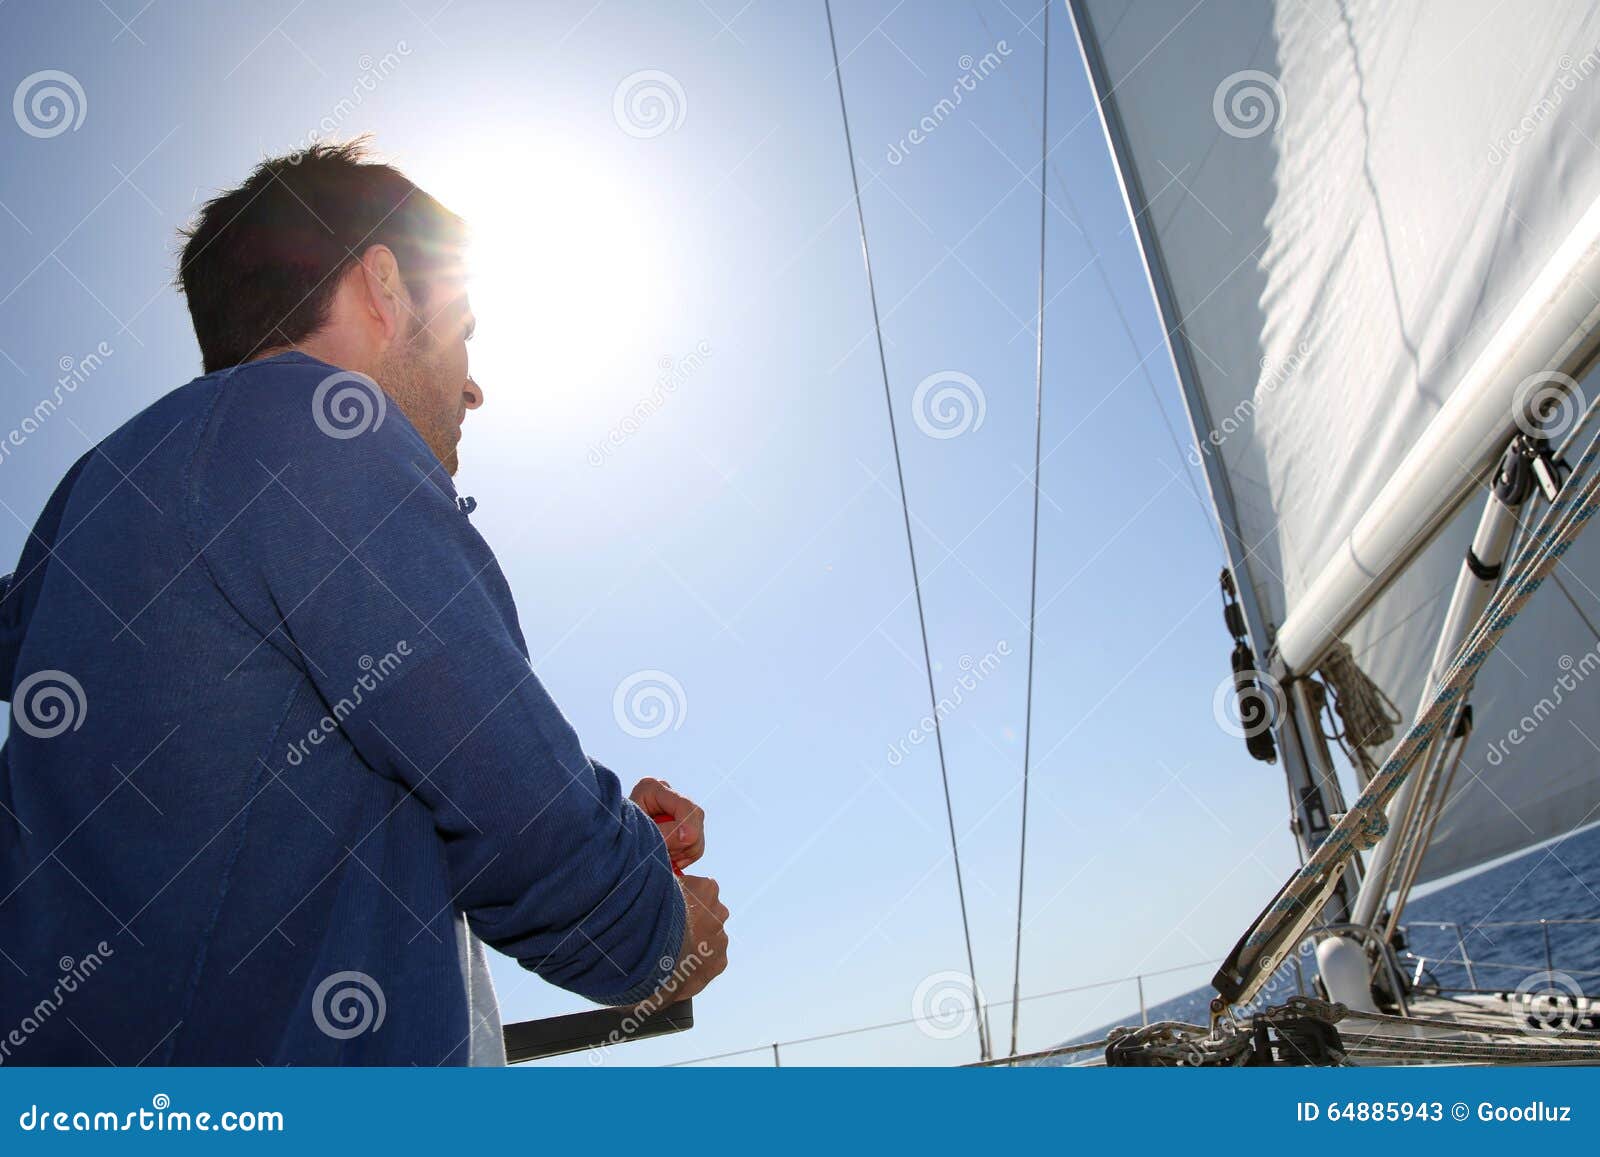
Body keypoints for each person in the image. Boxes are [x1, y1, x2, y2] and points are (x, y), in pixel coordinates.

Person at [0, 140, 727, 1065]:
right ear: (385, 288)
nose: (473, 382)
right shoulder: (318, 429)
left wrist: (626, 830)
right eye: (463, 327)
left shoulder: (95, 493)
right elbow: (522, 811)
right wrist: (662, 933)